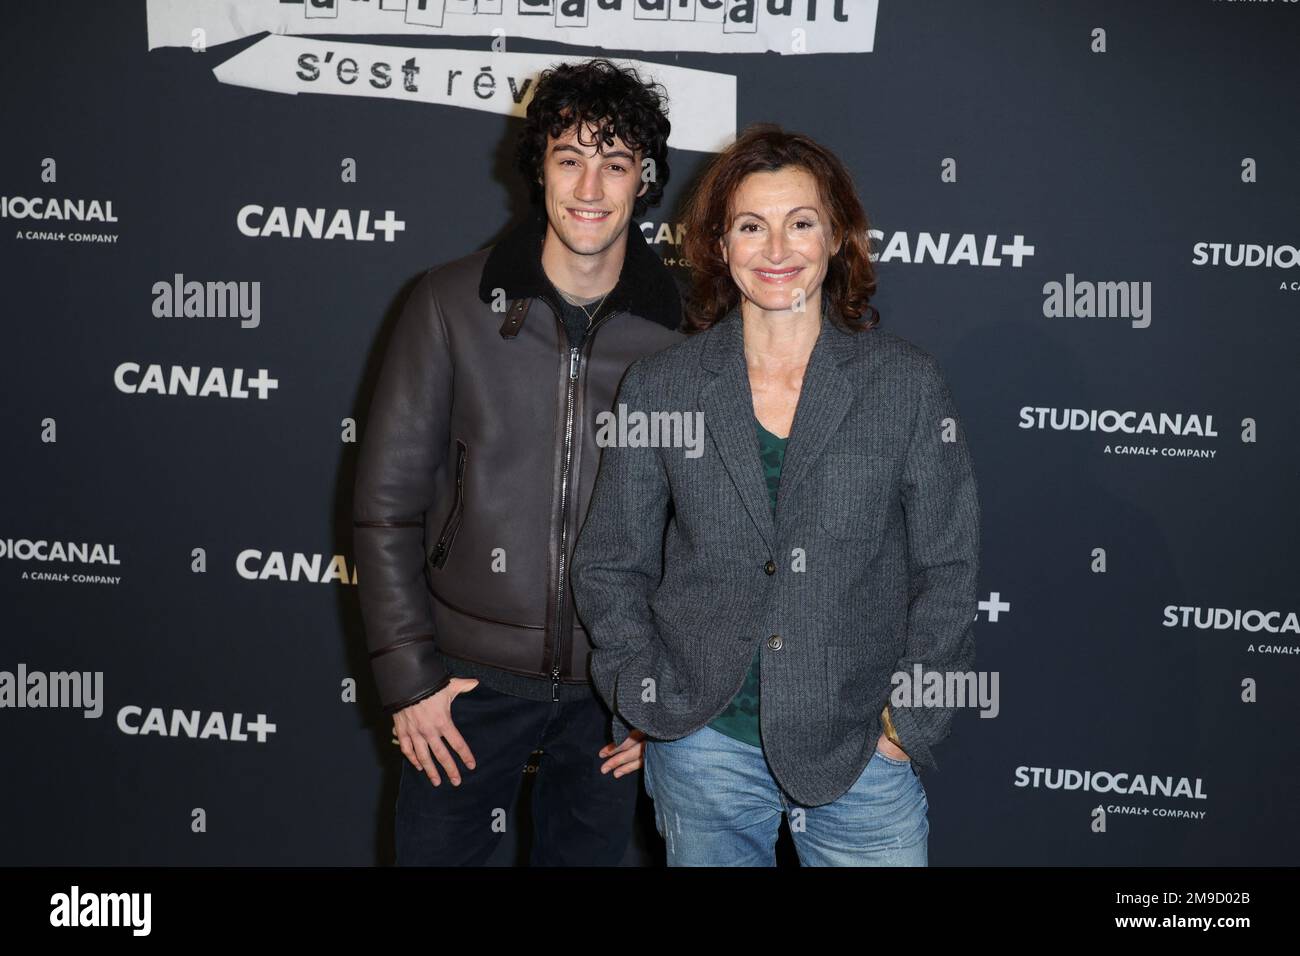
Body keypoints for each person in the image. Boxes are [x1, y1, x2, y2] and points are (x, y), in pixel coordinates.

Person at [571, 123, 980, 866]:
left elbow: (947, 572)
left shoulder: (905, 386)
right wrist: (643, 694)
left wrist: (907, 724)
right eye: (751, 226)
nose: (778, 250)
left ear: (837, 238)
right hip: (703, 751)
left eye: (801, 223)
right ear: (720, 246)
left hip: (860, 749)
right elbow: (611, 563)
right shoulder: (662, 388)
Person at [352, 58, 684, 866]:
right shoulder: (448, 304)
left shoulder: (685, 329)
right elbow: (385, 508)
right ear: (538, 168)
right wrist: (410, 682)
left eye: (616, 163)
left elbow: (709, 527)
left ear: (645, 182)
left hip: (614, 696)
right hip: (462, 688)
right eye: (569, 157)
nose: (590, 187)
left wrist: (667, 696)